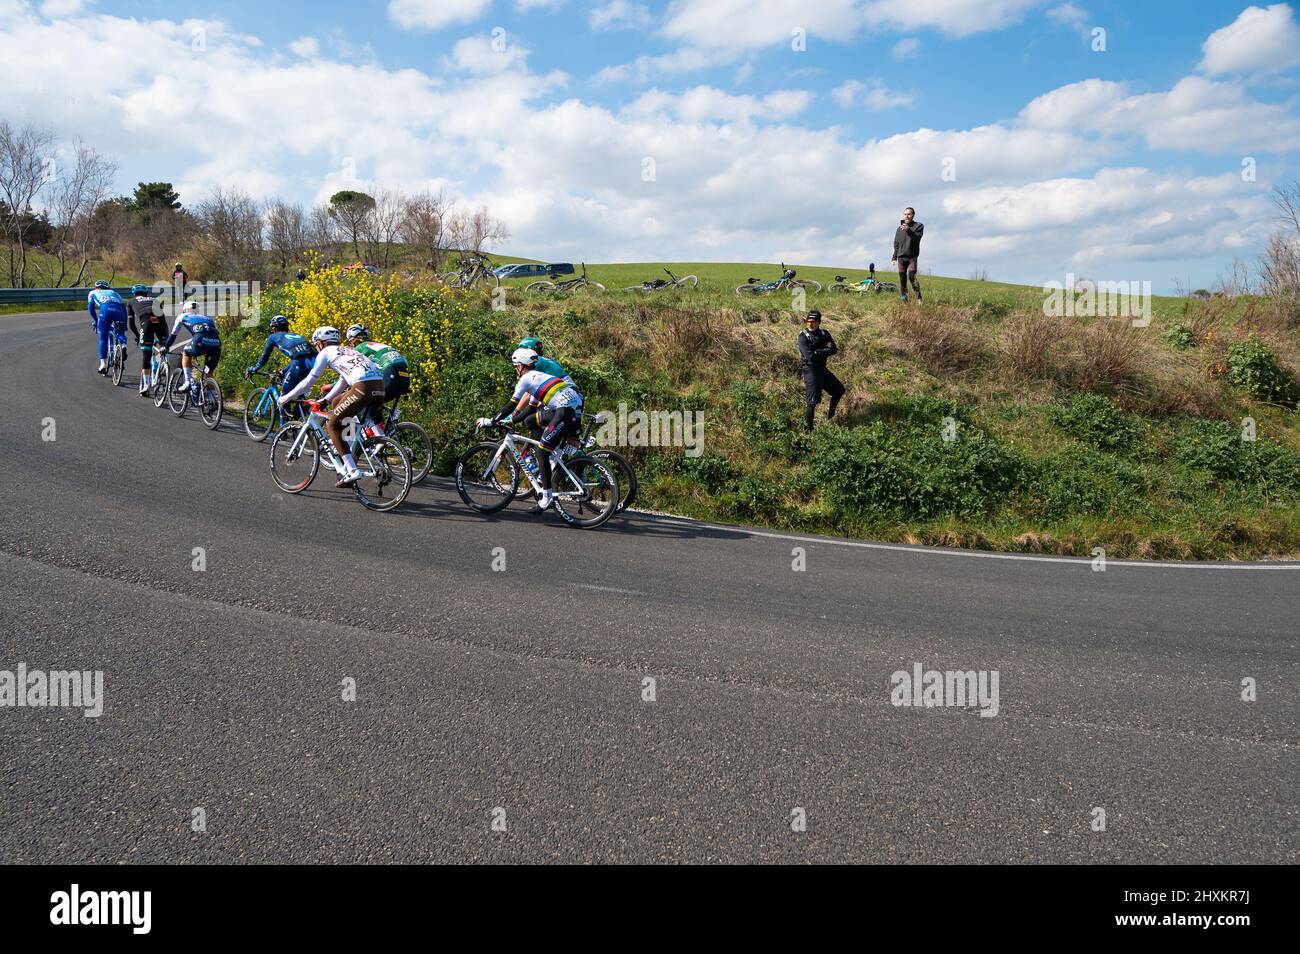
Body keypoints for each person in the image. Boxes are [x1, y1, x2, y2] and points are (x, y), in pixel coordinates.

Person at [478, 348, 584, 513]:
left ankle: (547, 498)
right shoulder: (541, 378)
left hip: (565, 412)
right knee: (530, 420)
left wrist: (492, 421)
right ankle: (548, 449)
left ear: (520, 366)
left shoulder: (526, 380)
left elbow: (512, 405)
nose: (516, 370)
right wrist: (511, 421)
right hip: (569, 409)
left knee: (542, 452)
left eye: (515, 366)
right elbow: (529, 410)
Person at [278, 326, 385, 488]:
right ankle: (348, 453)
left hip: (363, 386)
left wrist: (286, 397)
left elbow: (309, 380)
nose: (316, 348)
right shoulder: (348, 350)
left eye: (316, 345)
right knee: (340, 408)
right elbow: (343, 380)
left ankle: (351, 469)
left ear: (320, 343)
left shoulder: (325, 353)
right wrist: (326, 400)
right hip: (380, 387)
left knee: (332, 425)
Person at [344, 323, 410, 426]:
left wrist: (333, 386)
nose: (351, 345)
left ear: (354, 339)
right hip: (405, 378)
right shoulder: (379, 346)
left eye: (351, 342)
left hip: (391, 374)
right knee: (375, 402)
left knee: (366, 403)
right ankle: (389, 428)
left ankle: (379, 438)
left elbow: (351, 372)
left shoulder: (360, 348)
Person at [162, 301, 222, 404]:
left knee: (186, 352)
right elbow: (213, 332)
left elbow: (173, 335)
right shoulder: (207, 318)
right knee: (208, 372)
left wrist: (166, 347)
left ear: (185, 309)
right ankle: (212, 399)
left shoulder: (182, 316)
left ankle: (187, 382)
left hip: (200, 341)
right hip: (216, 343)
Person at [247, 315, 315, 405]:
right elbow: (304, 357)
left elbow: (264, 357)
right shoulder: (297, 336)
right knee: (300, 391)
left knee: (283, 397)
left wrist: (255, 368)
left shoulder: (273, 337)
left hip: (298, 364)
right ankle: (300, 412)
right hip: (313, 363)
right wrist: (284, 371)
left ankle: (284, 419)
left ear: (274, 328)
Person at [798, 309, 844, 431]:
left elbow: (834, 349)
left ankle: (831, 417)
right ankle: (809, 431)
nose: (810, 324)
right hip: (810, 370)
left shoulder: (824, 333)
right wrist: (824, 350)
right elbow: (810, 357)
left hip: (822, 369)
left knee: (839, 390)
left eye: (813, 322)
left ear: (818, 322)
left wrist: (819, 351)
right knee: (812, 403)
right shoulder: (803, 336)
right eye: (808, 321)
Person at [126, 284, 166, 395]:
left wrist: (137, 335)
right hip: (160, 320)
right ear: (146, 293)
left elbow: (131, 323)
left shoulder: (131, 302)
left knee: (147, 353)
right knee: (164, 346)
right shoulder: (154, 299)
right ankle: (163, 371)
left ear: (134, 294)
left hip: (147, 321)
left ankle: (146, 384)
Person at [87, 279, 127, 376]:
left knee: (103, 338)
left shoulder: (92, 292)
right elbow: (124, 309)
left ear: (96, 287)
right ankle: (123, 345)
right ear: (108, 287)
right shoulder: (115, 293)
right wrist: (125, 324)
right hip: (119, 311)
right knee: (120, 333)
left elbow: (91, 309)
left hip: (105, 310)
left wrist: (96, 321)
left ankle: (103, 364)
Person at [891, 207, 924, 303]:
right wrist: (894, 257)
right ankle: (904, 300)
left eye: (909, 214)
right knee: (902, 279)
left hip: (912, 257)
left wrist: (908, 230)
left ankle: (919, 298)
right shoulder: (899, 229)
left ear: (913, 215)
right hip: (901, 257)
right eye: (905, 214)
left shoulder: (919, 226)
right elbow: (896, 244)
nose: (907, 216)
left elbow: (917, 238)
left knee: (911, 276)